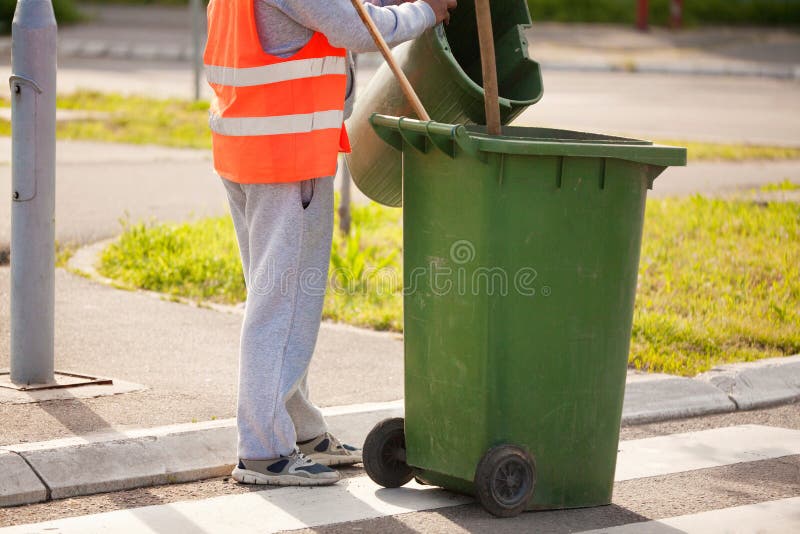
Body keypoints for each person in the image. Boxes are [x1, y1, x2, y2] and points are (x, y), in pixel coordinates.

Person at [204, 0, 457, 487]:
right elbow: (361, 27)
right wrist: (426, 11)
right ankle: (262, 449)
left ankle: (298, 428)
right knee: (282, 306)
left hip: (245, 148)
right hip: (287, 157)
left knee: (278, 301)